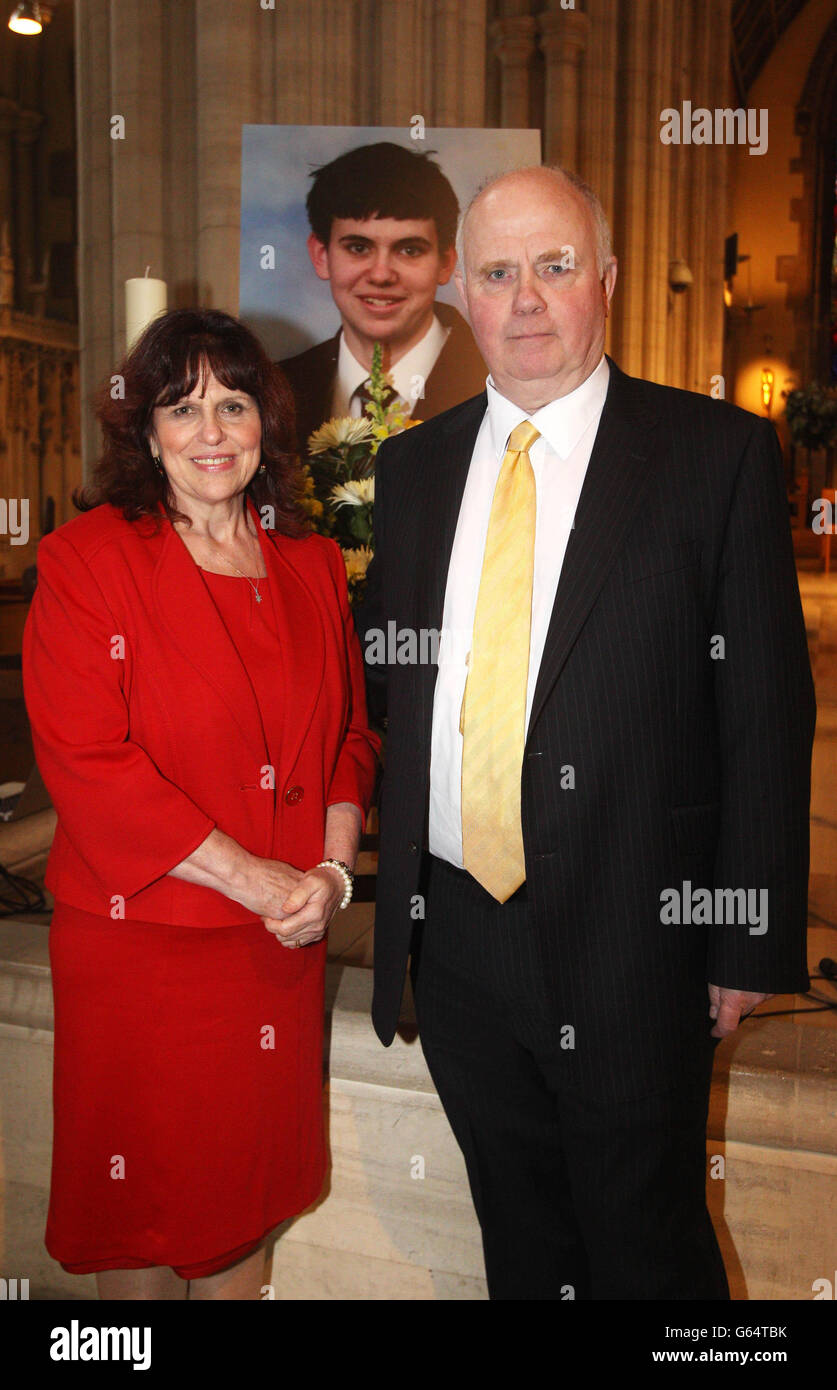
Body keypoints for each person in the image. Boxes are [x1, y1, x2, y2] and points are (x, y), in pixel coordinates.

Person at [358, 166, 816, 1300]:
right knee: (521, 1238)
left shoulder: (713, 457)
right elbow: (394, 690)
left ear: (603, 282)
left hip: (637, 934)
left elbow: (764, 711)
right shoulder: (411, 469)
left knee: (648, 1244)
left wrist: (744, 934)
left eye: (554, 267)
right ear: (460, 290)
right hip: (460, 937)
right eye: (499, 272)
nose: (525, 299)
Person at [22, 308, 380, 1301]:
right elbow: (91, 764)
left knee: (244, 1201)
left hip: (274, 951)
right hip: (147, 946)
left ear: (267, 422)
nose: (212, 430)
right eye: (183, 408)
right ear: (145, 430)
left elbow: (349, 737)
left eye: (233, 403)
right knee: (142, 1210)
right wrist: (254, 876)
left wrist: (334, 868)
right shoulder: (89, 561)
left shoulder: (309, 565)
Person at [279, 141, 486, 453]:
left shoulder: (498, 382)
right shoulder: (275, 391)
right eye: (358, 248)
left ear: (446, 263)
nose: (381, 274)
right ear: (321, 255)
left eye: (409, 250)